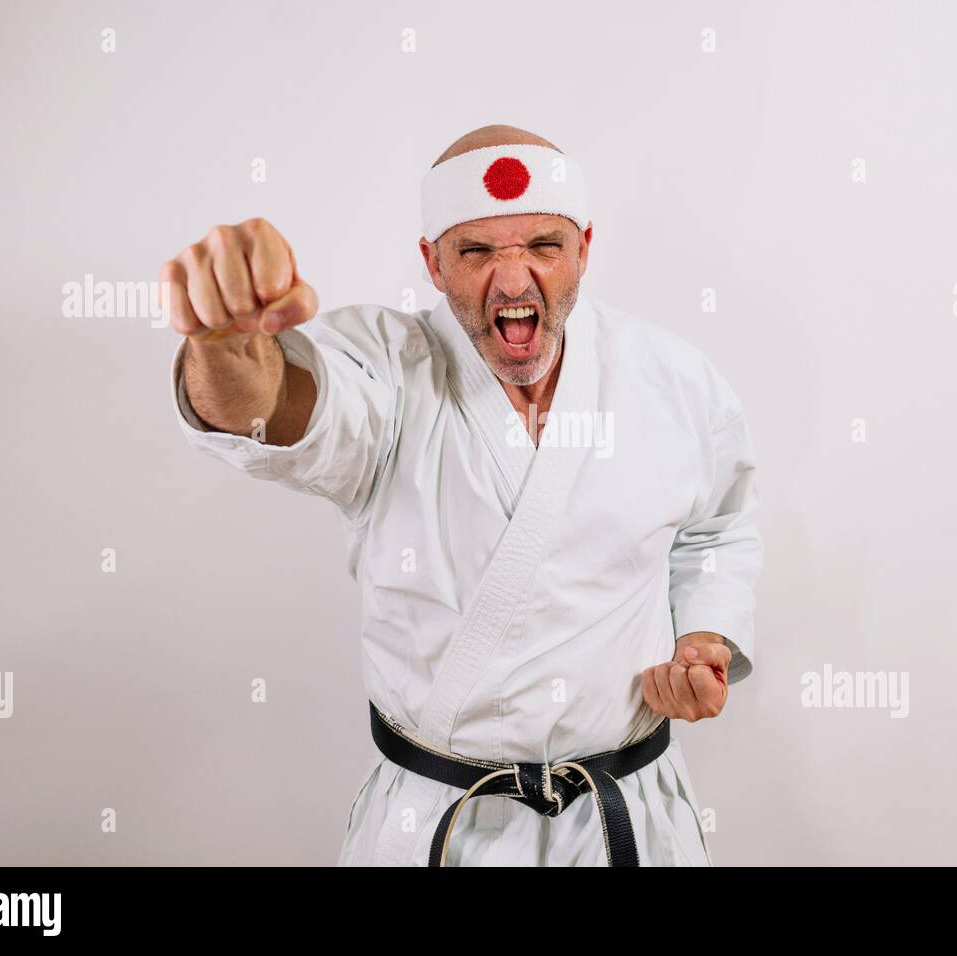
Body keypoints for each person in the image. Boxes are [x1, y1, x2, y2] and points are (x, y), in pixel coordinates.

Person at [162, 124, 763, 866]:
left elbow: (717, 528)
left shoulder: (672, 378)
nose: (513, 283)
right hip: (442, 826)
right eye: (476, 252)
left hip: (628, 821)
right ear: (432, 263)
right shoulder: (388, 368)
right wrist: (225, 343)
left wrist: (703, 638)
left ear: (584, 248)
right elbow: (284, 408)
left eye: (544, 246)